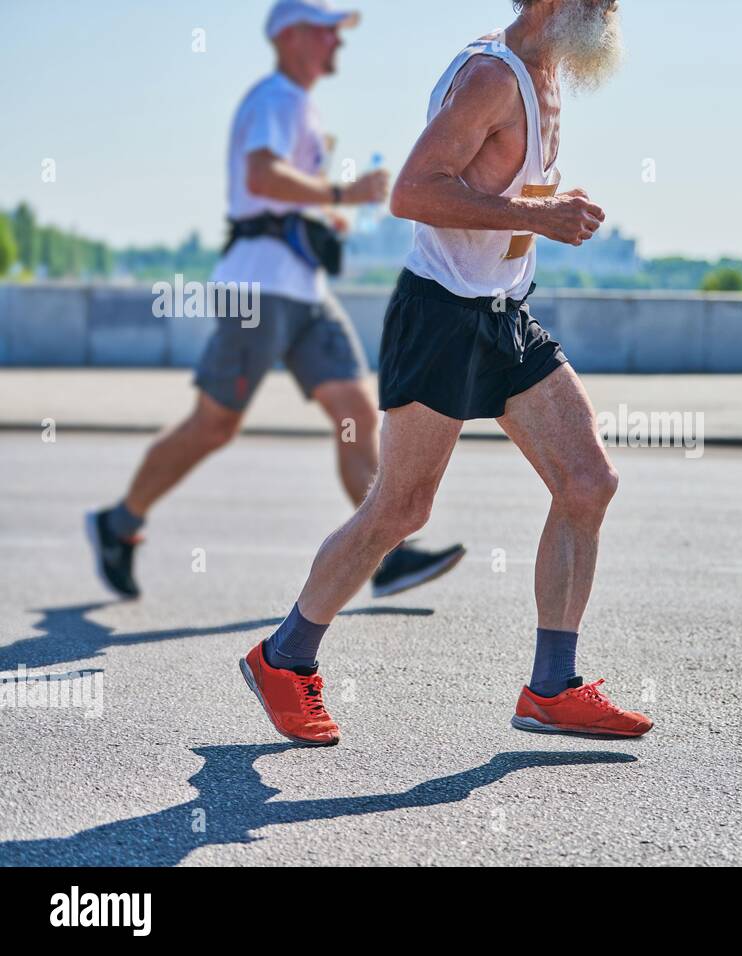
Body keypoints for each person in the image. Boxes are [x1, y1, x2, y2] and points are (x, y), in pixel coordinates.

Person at [240, 0, 652, 746]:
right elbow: (414, 192)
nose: (612, 11)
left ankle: (551, 688)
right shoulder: (495, 77)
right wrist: (544, 215)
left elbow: (488, 185)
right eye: (602, 0)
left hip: (501, 315)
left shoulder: (544, 71)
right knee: (400, 511)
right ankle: (284, 656)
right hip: (439, 317)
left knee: (588, 481)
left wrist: (544, 210)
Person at [86, 0, 465, 602]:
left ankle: (385, 556)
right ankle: (119, 523)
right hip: (257, 291)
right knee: (215, 426)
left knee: (356, 415)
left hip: (303, 290)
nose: (339, 44)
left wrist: (323, 215)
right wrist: (344, 191)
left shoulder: (301, 107)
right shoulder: (275, 99)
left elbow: (276, 193)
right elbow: (261, 178)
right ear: (292, 37)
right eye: (328, 33)